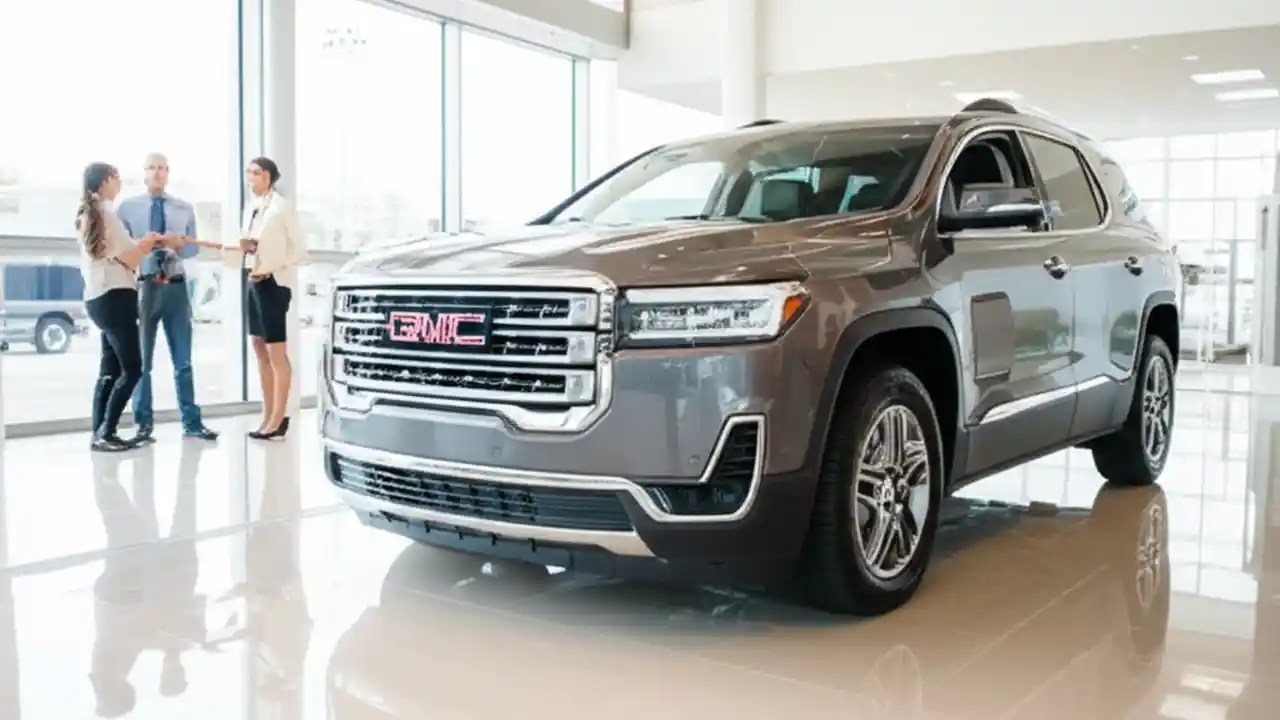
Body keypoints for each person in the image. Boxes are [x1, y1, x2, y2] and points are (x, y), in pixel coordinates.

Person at [115, 153, 219, 442]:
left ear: (168, 173)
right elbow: (122, 249)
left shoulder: (184, 208)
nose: (157, 173)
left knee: (183, 361)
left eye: (162, 168)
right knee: (142, 362)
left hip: (176, 286)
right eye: (151, 168)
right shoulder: (127, 208)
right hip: (145, 286)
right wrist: (144, 245)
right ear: (144, 173)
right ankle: (143, 425)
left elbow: (192, 250)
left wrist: (178, 244)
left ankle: (191, 423)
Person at [77, 163, 159, 452]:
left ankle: (99, 431)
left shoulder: (90, 214)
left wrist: (135, 248)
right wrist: (146, 244)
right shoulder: (107, 215)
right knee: (133, 369)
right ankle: (107, 431)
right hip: (115, 297)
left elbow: (114, 254)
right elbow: (131, 258)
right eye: (117, 178)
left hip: (98, 298)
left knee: (109, 369)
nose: (120, 183)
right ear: (106, 181)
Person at [235, 157, 308, 439]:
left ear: (268, 176)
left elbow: (299, 249)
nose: (249, 177)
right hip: (252, 280)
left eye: (255, 172)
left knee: (276, 351)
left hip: (273, 283)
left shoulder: (281, 207)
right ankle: (267, 415)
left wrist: (272, 265)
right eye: (248, 172)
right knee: (258, 346)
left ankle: (278, 418)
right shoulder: (252, 208)